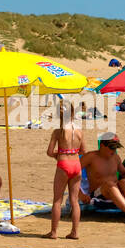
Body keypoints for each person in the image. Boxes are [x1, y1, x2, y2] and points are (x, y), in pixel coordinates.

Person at [79, 131, 125, 224]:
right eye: (111, 147)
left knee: (123, 182)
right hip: (98, 193)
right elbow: (73, 174)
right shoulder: (90, 157)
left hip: (116, 191)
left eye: (116, 147)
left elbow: (124, 172)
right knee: (110, 184)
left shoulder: (115, 157)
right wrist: (80, 194)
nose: (114, 150)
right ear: (102, 145)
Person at [45, 102, 85, 239]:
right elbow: (83, 151)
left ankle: (54, 232)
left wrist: (58, 155)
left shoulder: (58, 132)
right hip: (76, 165)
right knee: (74, 200)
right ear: (73, 114)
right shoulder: (79, 131)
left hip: (64, 164)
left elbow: (49, 152)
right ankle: (75, 232)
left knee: (57, 200)